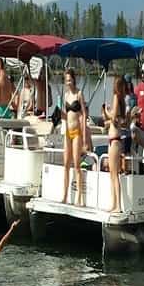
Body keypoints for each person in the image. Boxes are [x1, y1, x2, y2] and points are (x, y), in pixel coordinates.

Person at [61, 68, 87, 205]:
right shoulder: (65, 96)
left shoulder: (79, 94)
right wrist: (60, 116)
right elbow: (65, 115)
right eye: (66, 80)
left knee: (77, 164)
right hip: (67, 132)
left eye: (70, 80)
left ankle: (79, 197)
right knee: (65, 164)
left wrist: (83, 136)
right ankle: (64, 195)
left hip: (76, 131)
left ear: (74, 80)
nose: (68, 82)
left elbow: (83, 114)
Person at [103, 74, 129, 213]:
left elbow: (112, 119)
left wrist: (106, 110)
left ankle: (117, 205)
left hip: (114, 140)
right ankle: (114, 204)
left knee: (114, 175)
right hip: (115, 140)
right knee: (113, 174)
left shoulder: (115, 98)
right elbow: (119, 121)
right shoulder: (122, 102)